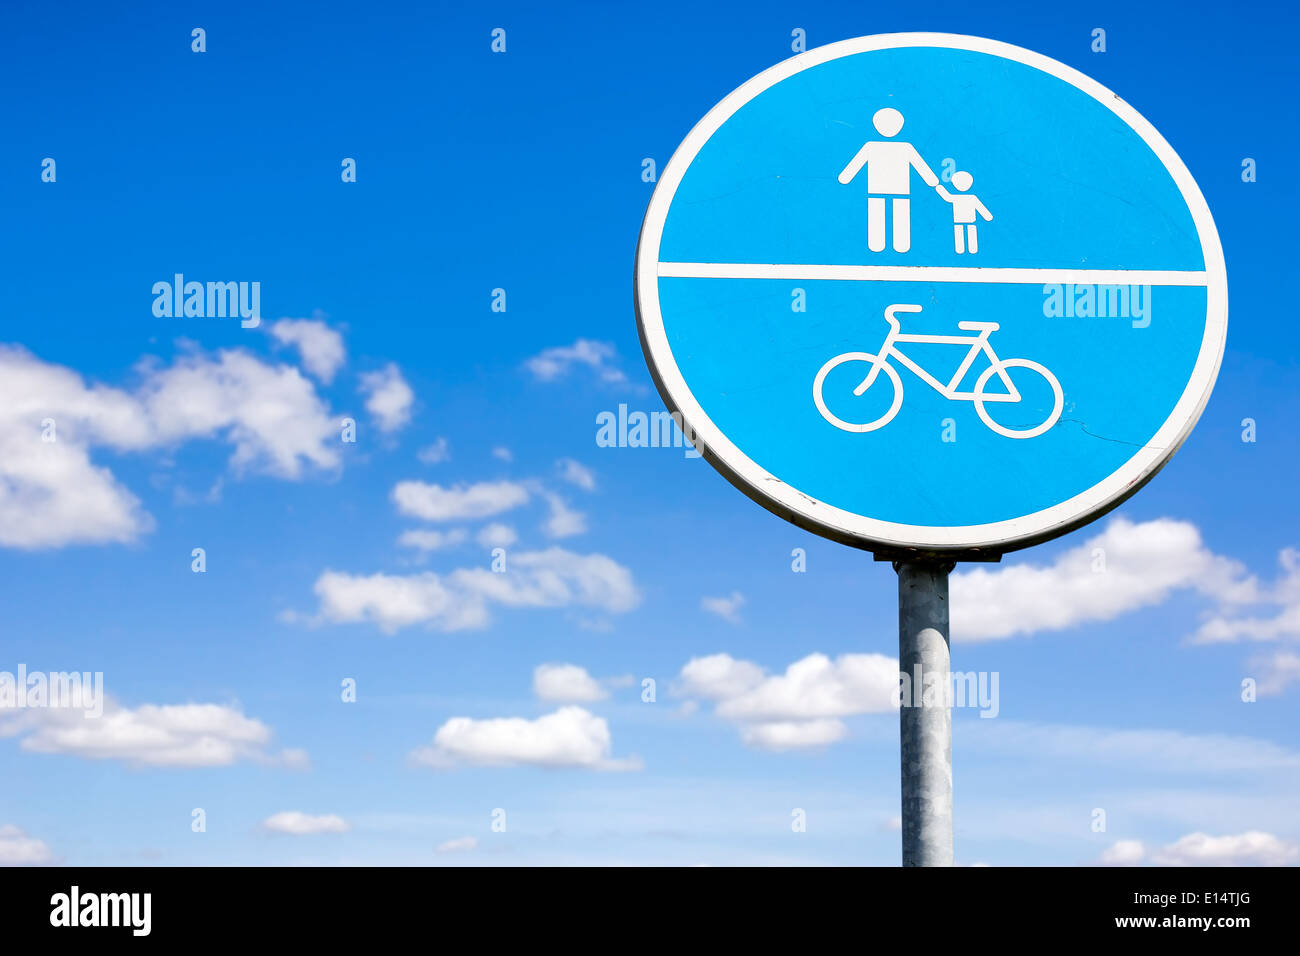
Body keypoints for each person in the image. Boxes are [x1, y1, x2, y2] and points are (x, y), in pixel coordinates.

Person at [837, 108, 940, 253]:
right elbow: (922, 168)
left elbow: (852, 168)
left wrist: (845, 178)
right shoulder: (902, 148)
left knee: (881, 214)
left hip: (880, 190)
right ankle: (899, 245)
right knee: (896, 214)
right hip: (897, 191)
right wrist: (933, 181)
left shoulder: (875, 147)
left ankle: (879, 245)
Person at [934, 171, 993, 254]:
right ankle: (962, 249)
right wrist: (939, 188)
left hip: (967, 221)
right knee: (962, 233)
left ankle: (969, 249)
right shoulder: (966, 197)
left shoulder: (971, 198)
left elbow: (947, 197)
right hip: (963, 221)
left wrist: (939, 187)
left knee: (968, 233)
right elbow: (947, 197)